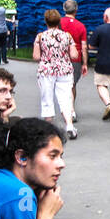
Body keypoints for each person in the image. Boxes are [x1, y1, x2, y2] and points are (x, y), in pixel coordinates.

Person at [33, 9, 79, 140]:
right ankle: (70, 126)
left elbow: (36, 56)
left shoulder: (40, 37)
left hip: (46, 71)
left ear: (45, 21)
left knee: (47, 98)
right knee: (65, 98)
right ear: (59, 21)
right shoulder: (67, 36)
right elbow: (74, 55)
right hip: (64, 70)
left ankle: (49, 130)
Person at [59, 0, 88, 125]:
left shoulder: (58, 23)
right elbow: (84, 46)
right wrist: (85, 63)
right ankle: (71, 110)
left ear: (64, 9)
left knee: (61, 85)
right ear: (76, 10)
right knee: (72, 85)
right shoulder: (80, 26)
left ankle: (65, 109)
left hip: (60, 57)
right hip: (75, 58)